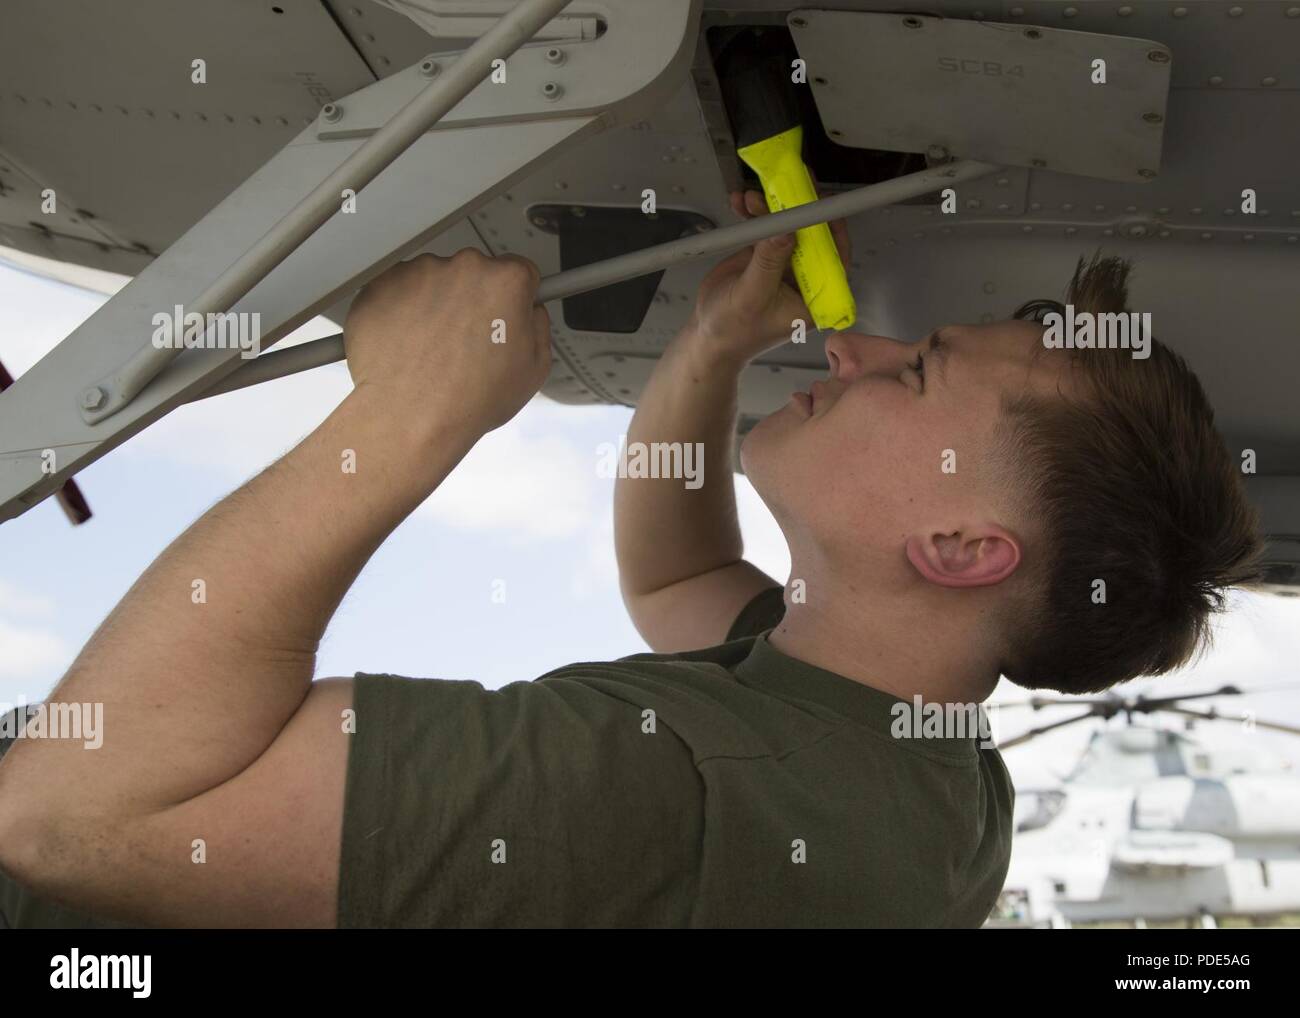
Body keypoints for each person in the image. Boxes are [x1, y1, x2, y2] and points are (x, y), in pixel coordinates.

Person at [0, 191, 1260, 928]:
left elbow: (73, 814)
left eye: (917, 369)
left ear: (960, 546)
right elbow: (672, 579)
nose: (849, 353)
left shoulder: (673, 791)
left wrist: (408, 414)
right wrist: (708, 349)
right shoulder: (914, 765)